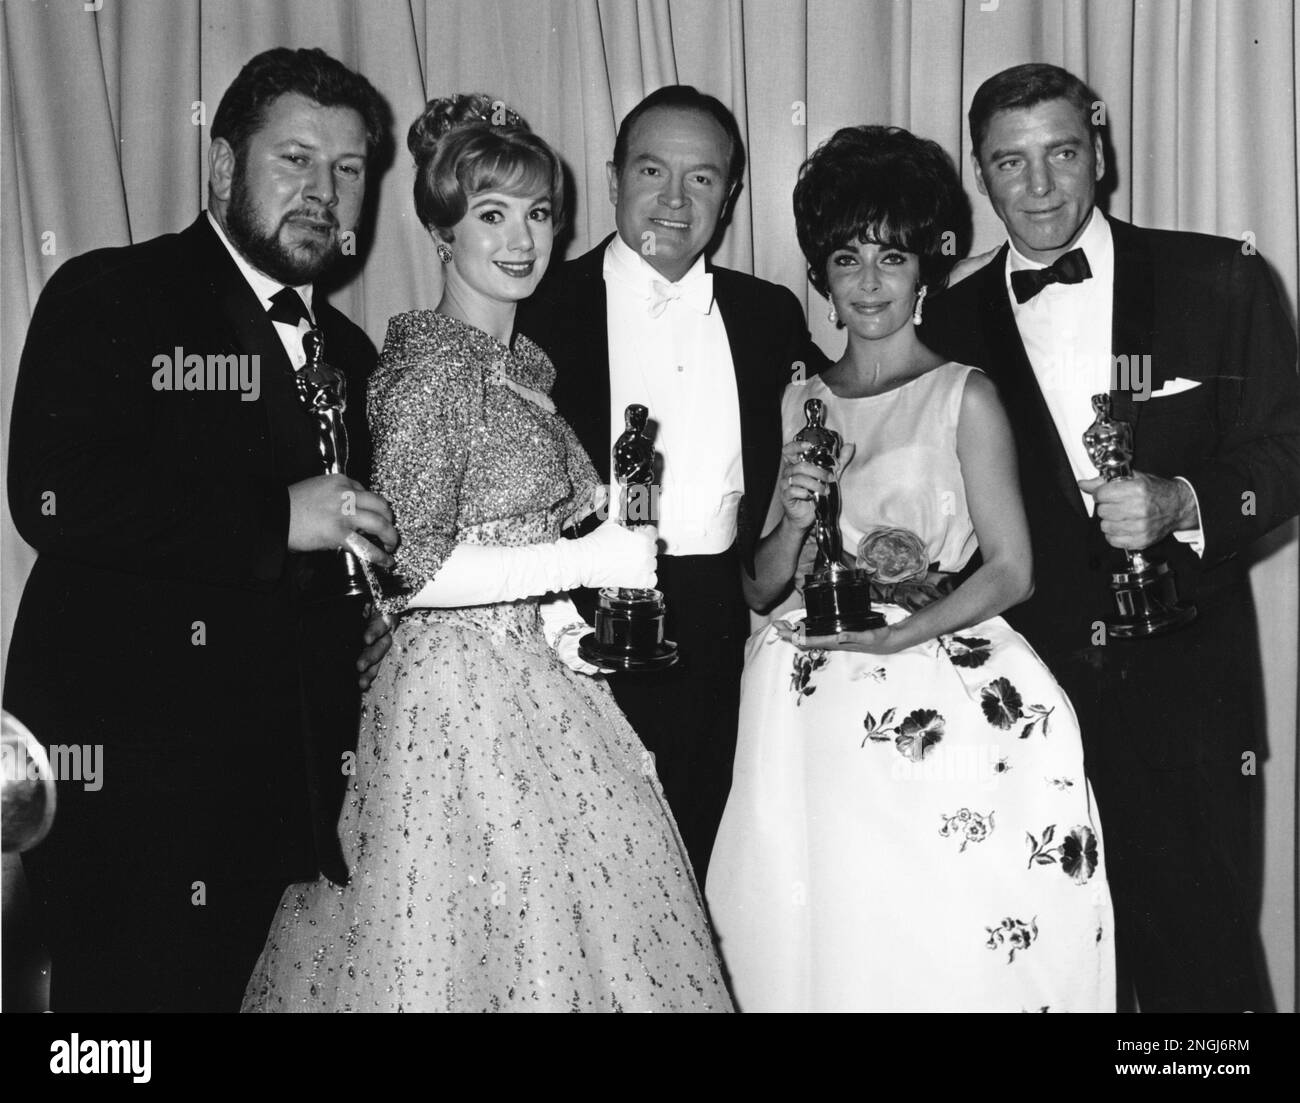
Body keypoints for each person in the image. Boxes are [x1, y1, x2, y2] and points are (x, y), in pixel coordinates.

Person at [241, 95, 732, 1012]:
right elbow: (412, 572)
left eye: (537, 213)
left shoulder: (518, 368)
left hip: (537, 679)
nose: (521, 239)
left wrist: (569, 628)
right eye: (490, 214)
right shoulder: (430, 371)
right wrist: (586, 566)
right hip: (452, 702)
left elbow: (524, 534)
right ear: (442, 232)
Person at [4, 47, 397, 1012]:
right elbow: (51, 491)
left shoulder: (352, 354)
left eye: (348, 169)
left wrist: (366, 627)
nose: (324, 192)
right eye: (296, 159)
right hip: (136, 798)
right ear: (222, 166)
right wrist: (279, 518)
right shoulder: (114, 291)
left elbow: (315, 565)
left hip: (290, 811)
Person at [705, 125, 1115, 1012]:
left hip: (931, 679)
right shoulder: (799, 398)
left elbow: (1013, 571)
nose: (868, 282)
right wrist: (798, 517)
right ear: (821, 276)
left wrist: (900, 637)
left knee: (924, 928)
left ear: (925, 266)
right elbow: (759, 585)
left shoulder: (966, 392)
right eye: (846, 259)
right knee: (823, 927)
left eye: (891, 257)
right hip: (805, 697)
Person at [920, 63, 1300, 1013]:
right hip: (1022, 704)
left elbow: (1290, 447)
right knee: (1044, 978)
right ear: (980, 172)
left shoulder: (1221, 277)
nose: (1040, 186)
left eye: (1062, 153)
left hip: (1188, 699)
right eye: (1011, 162)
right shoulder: (946, 320)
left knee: (1201, 991)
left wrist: (1183, 499)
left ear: (1100, 150)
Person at [517, 86, 828, 878]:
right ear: (613, 176)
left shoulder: (768, 316)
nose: (675, 200)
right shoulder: (535, 310)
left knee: (694, 870)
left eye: (702, 178)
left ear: (730, 196)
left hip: (714, 629)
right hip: (570, 628)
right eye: (652, 171)